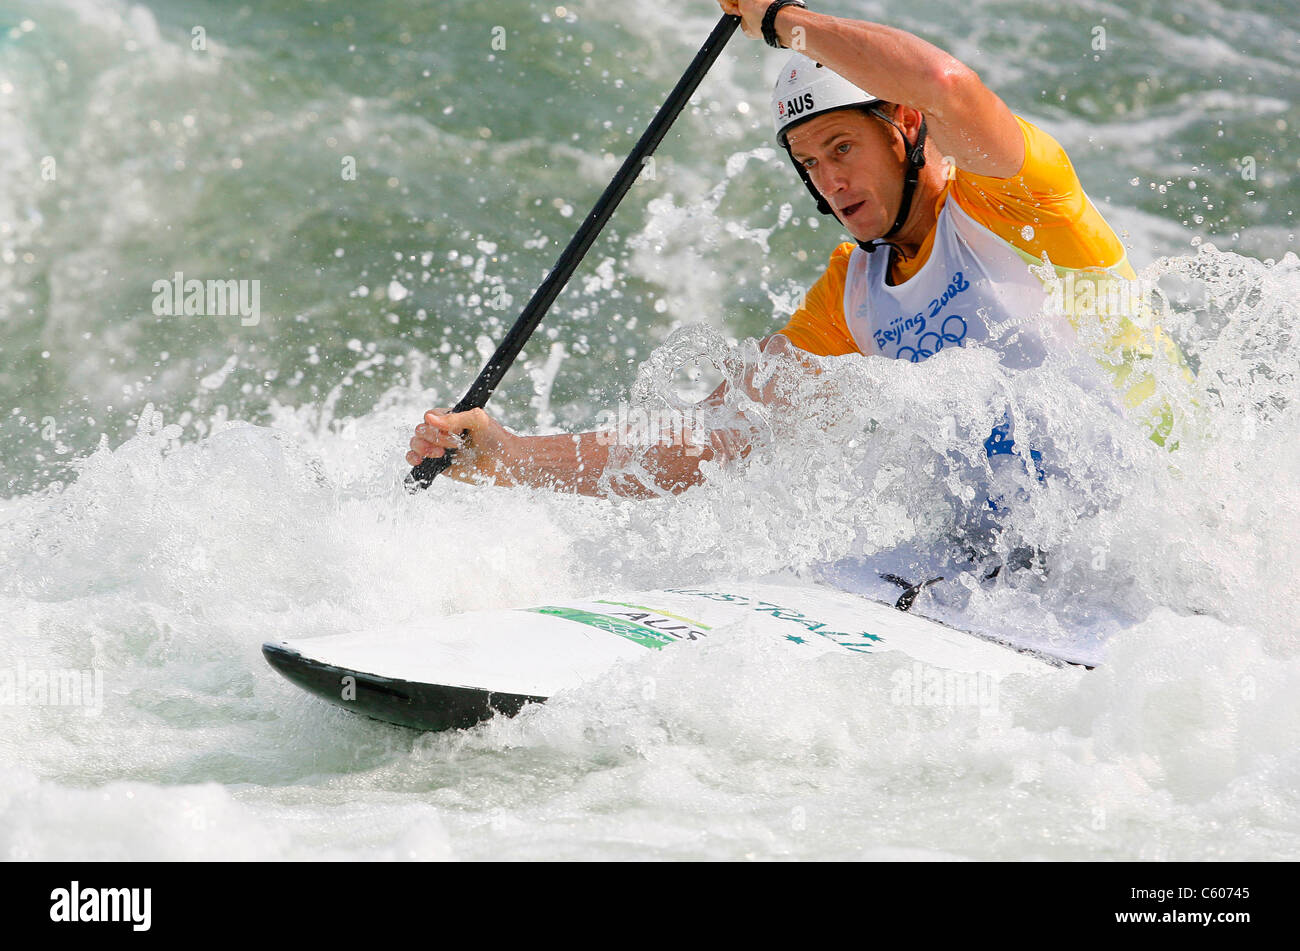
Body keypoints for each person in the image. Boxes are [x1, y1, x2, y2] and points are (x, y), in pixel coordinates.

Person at [407, 0, 1178, 503]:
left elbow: (947, 82)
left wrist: (782, 21)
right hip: (1001, 570)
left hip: (1156, 534)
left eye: (842, 146)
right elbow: (710, 440)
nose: (830, 179)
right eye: (809, 161)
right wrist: (509, 456)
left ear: (907, 127)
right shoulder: (851, 294)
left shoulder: (1018, 200)